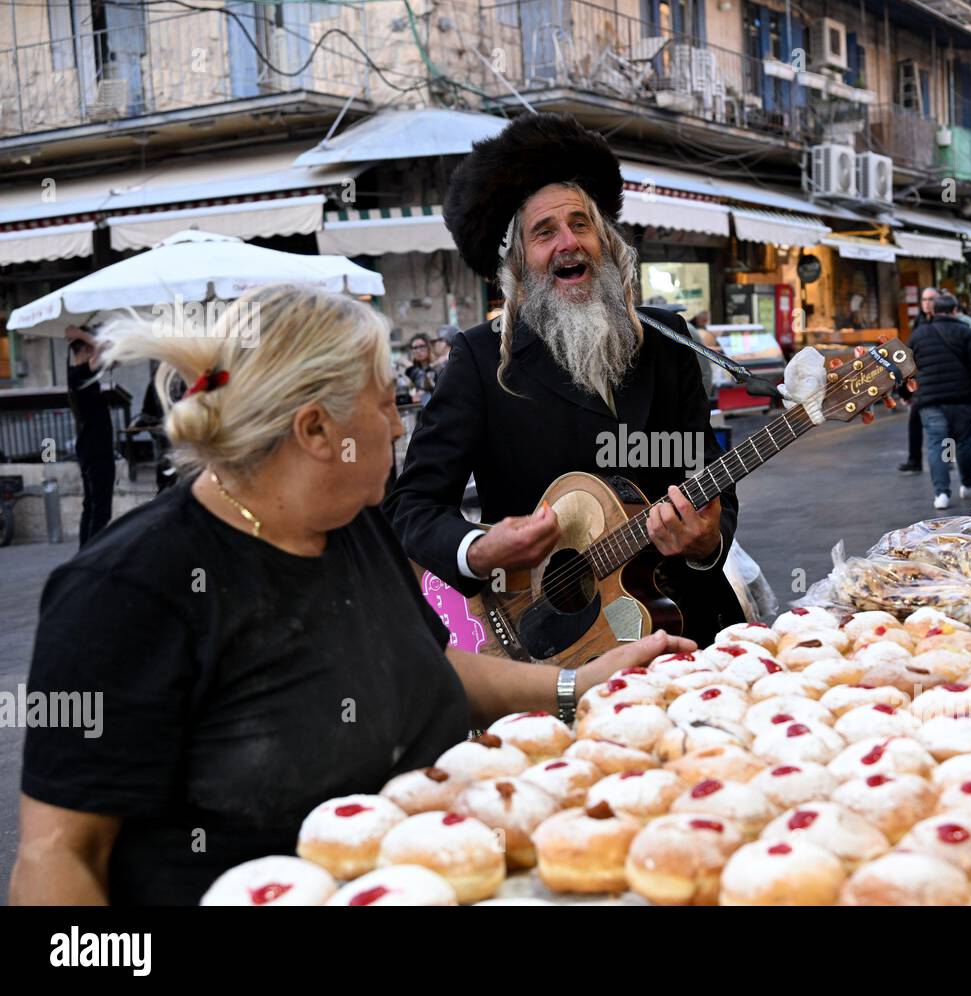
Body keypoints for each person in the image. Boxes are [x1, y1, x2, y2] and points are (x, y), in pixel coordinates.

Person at [10, 283, 692, 907]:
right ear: (315, 430)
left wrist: (578, 685)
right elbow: (56, 856)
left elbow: (425, 661)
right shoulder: (123, 591)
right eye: (385, 400)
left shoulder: (353, 520)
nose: (400, 425)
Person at [385, 113, 742, 646]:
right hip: (553, 638)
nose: (568, 243)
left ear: (605, 240)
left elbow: (710, 476)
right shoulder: (480, 360)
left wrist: (707, 541)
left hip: (686, 621)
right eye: (544, 232)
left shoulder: (667, 340)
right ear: (519, 263)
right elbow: (411, 507)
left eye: (581, 224)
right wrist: (475, 549)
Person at [908, 292, 971, 509]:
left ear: (933, 311)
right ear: (955, 310)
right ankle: (967, 484)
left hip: (930, 401)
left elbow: (906, 367)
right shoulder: (965, 332)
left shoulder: (919, 334)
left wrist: (905, 395)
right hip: (962, 399)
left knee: (937, 445)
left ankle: (942, 494)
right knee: (963, 442)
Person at [64, 326, 115, 547]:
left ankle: (84, 554)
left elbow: (112, 354)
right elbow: (105, 348)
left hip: (90, 449)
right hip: (96, 451)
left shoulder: (77, 373)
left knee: (91, 505)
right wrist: (81, 334)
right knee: (101, 510)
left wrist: (82, 337)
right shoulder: (81, 374)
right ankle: (91, 556)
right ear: (86, 349)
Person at [899, 286, 938, 474]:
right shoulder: (919, 324)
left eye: (931, 299)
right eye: (924, 299)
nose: (927, 303)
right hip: (923, 381)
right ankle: (914, 460)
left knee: (947, 424)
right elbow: (910, 356)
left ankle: (950, 458)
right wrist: (905, 390)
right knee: (914, 420)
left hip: (942, 379)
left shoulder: (944, 320)